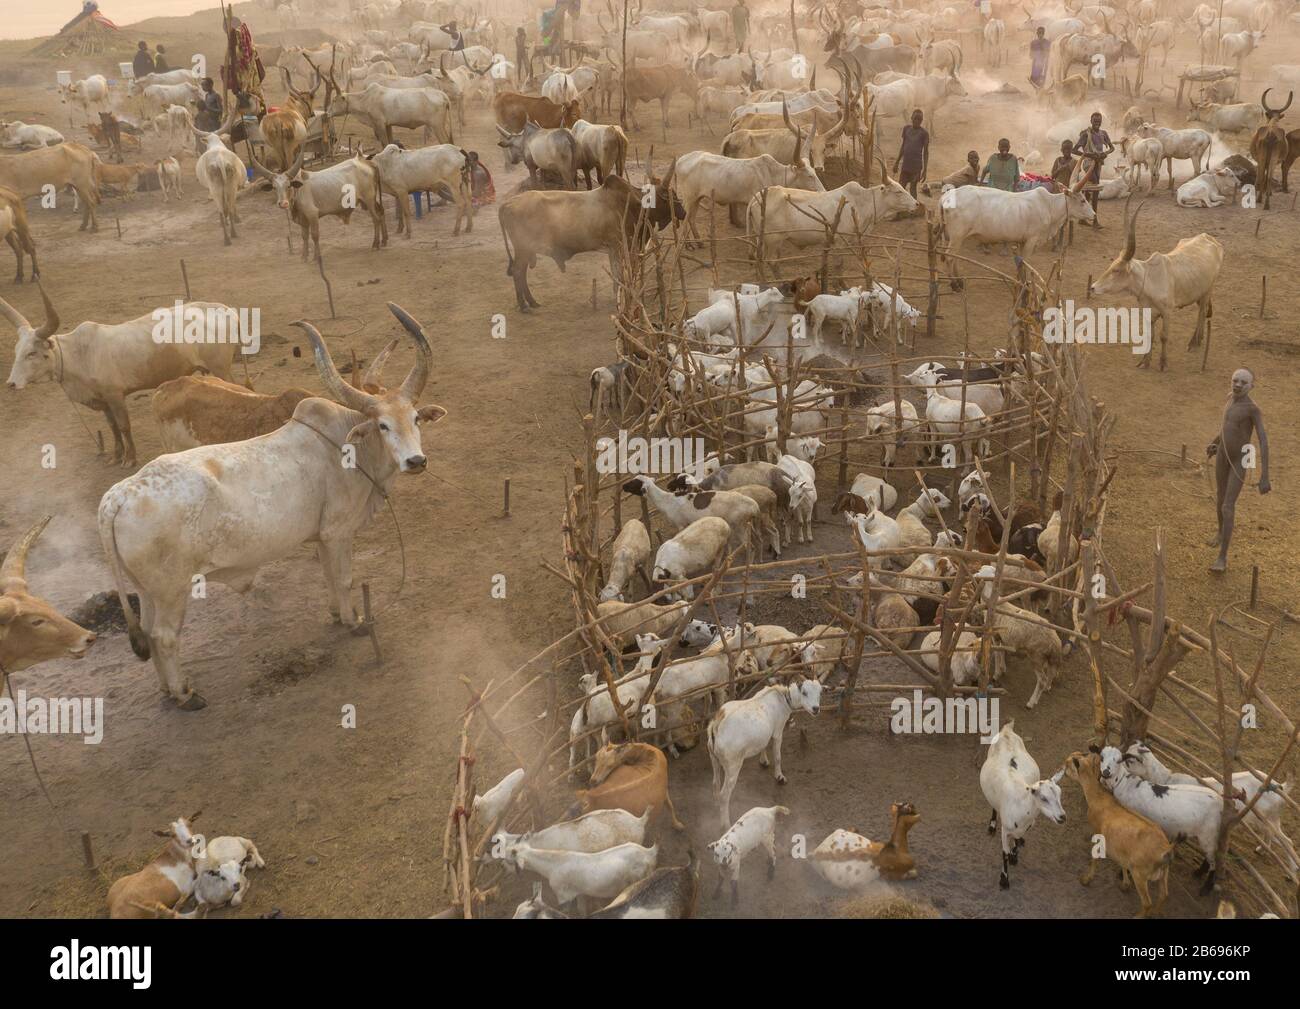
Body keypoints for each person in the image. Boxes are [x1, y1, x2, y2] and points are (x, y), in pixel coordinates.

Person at [1205, 369, 1270, 572]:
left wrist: (1264, 476)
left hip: (1239, 459)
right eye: (1235, 380)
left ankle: (1222, 558)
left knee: (1227, 506)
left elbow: (1263, 440)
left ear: (1252, 386)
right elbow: (1226, 426)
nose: (1238, 385)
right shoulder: (1229, 399)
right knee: (1219, 497)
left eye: (1244, 382)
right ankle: (1219, 531)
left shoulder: (1253, 409)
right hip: (1223, 454)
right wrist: (1214, 443)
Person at [1072, 111, 1114, 226]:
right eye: (1095, 121)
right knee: (1095, 187)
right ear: (1091, 121)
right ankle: (1095, 219)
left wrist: (1105, 153)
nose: (1097, 123)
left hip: (1098, 163)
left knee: (1089, 188)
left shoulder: (1103, 133)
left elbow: (1112, 148)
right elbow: (1074, 150)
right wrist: (1090, 155)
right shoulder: (1086, 134)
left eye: (1099, 121)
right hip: (1088, 163)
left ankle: (1083, 218)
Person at [225, 15, 265, 108]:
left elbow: (234, 57)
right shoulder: (249, 51)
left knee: (248, 106)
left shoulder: (240, 54)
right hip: (253, 86)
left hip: (248, 88)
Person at [893, 109, 929, 198]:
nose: (917, 121)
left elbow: (926, 152)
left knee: (913, 188)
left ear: (922, 121)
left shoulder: (924, 133)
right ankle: (900, 210)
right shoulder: (906, 129)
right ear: (911, 118)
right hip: (906, 165)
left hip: (916, 167)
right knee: (901, 187)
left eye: (919, 119)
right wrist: (897, 162)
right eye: (915, 118)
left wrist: (925, 170)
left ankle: (913, 210)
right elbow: (903, 146)